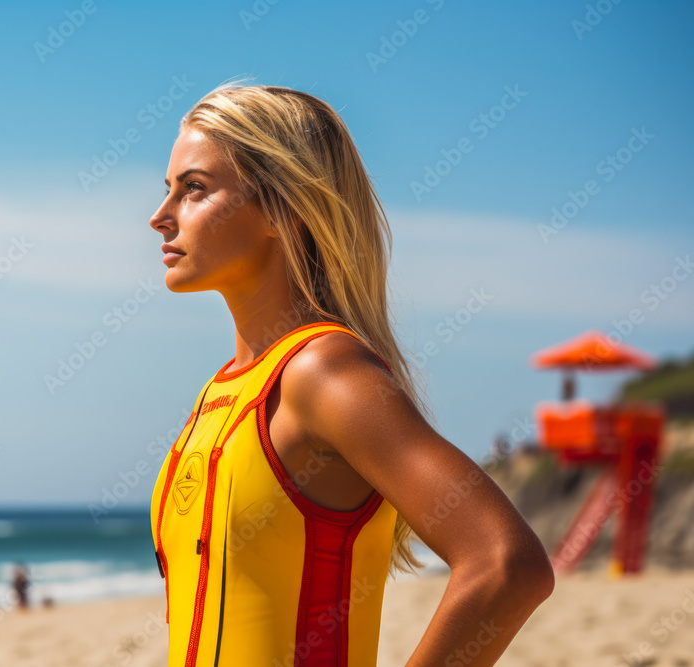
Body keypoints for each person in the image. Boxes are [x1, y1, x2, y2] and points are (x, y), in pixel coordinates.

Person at [147, 80, 554, 666]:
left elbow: (506, 563)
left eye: (194, 190)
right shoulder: (221, 391)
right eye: (169, 190)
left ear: (281, 209)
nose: (161, 217)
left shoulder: (322, 372)